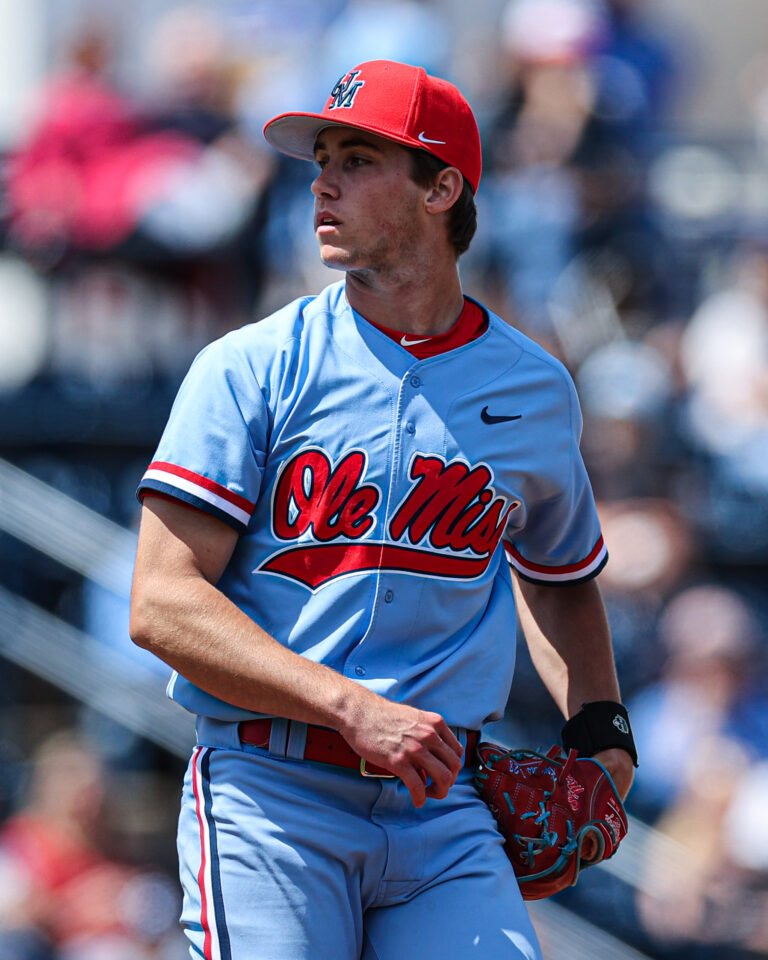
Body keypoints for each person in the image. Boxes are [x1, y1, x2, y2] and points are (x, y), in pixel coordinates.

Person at [130, 59, 636, 960]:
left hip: (444, 807)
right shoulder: (251, 365)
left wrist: (603, 736)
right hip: (271, 792)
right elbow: (162, 602)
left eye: (359, 160)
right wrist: (347, 705)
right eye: (322, 159)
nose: (322, 183)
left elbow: (559, 578)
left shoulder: (534, 387)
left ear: (442, 189)